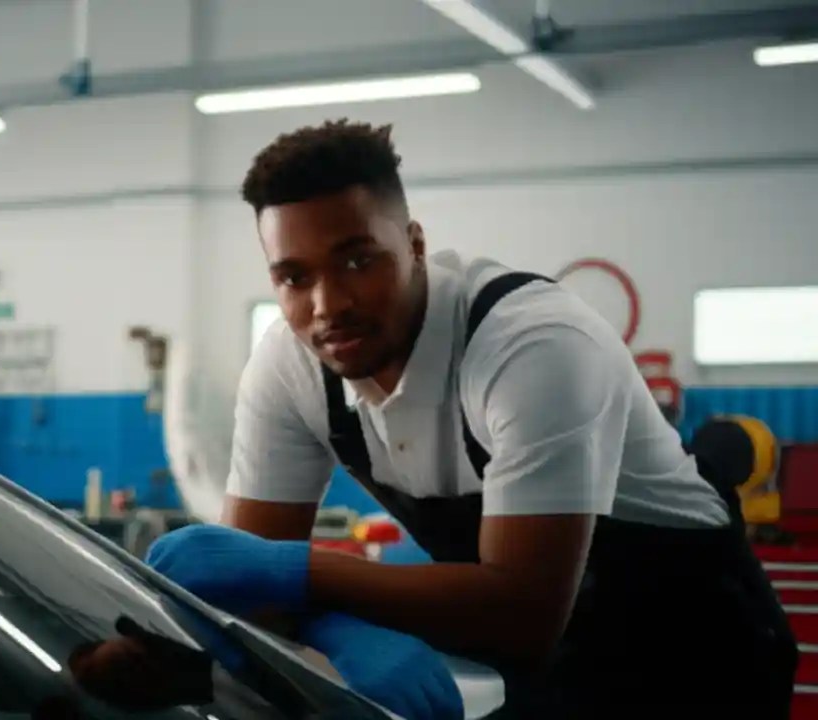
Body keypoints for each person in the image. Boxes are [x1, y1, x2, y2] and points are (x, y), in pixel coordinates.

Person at [146, 120, 796, 717]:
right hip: (547, 656)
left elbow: (524, 612)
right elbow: (246, 585)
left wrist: (300, 576)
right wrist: (330, 624)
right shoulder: (291, 367)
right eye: (293, 277)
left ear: (416, 244)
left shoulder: (533, 344)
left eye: (357, 260)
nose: (328, 304)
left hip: (703, 646)